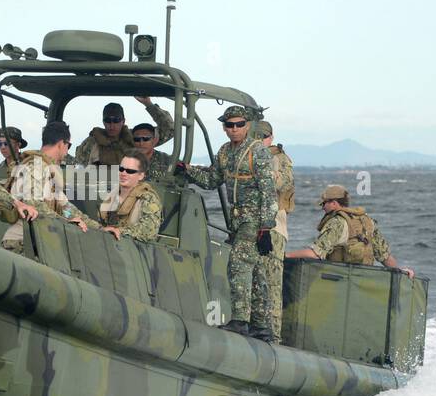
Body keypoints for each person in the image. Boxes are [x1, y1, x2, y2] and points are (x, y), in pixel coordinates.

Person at [174, 105, 278, 342]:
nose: (234, 129)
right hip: (238, 220)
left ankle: (241, 321)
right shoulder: (224, 152)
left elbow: (268, 191)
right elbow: (212, 179)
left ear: (247, 125)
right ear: (224, 127)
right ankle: (262, 325)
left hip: (254, 219)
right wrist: (188, 170)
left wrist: (266, 227)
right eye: (229, 125)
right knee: (256, 271)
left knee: (238, 264)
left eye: (239, 124)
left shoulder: (257, 152)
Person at [286, 184, 414, 278]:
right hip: (364, 282)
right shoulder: (367, 221)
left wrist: (286, 255)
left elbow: (315, 253)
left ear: (334, 203)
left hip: (339, 281)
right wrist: (400, 272)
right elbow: (384, 256)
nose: (323, 207)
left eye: (324, 203)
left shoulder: (337, 222)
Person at [1, 121, 90, 254]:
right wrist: (67, 222)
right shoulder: (35, 167)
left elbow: (66, 209)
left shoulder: (48, 170)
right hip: (22, 243)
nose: (67, 152)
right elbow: (34, 206)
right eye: (68, 145)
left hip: (38, 240)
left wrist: (96, 227)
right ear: (61, 144)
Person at [257, 121, 294, 341]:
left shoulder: (279, 158)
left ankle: (274, 336)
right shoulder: (244, 155)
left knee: (271, 284)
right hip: (250, 226)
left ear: (271, 137)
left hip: (273, 227)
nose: (260, 141)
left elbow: (282, 183)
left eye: (263, 137)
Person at [74, 95, 174, 167]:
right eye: (108, 120)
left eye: (116, 120)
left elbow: (170, 129)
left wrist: (148, 104)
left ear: (123, 121)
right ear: (103, 122)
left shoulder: (136, 138)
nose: (112, 125)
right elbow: (79, 167)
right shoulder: (92, 142)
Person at [91, 152, 163, 242]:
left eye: (130, 171)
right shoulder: (112, 195)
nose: (123, 173)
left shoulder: (148, 199)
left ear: (141, 175)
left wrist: (120, 231)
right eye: (121, 169)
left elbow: (148, 231)